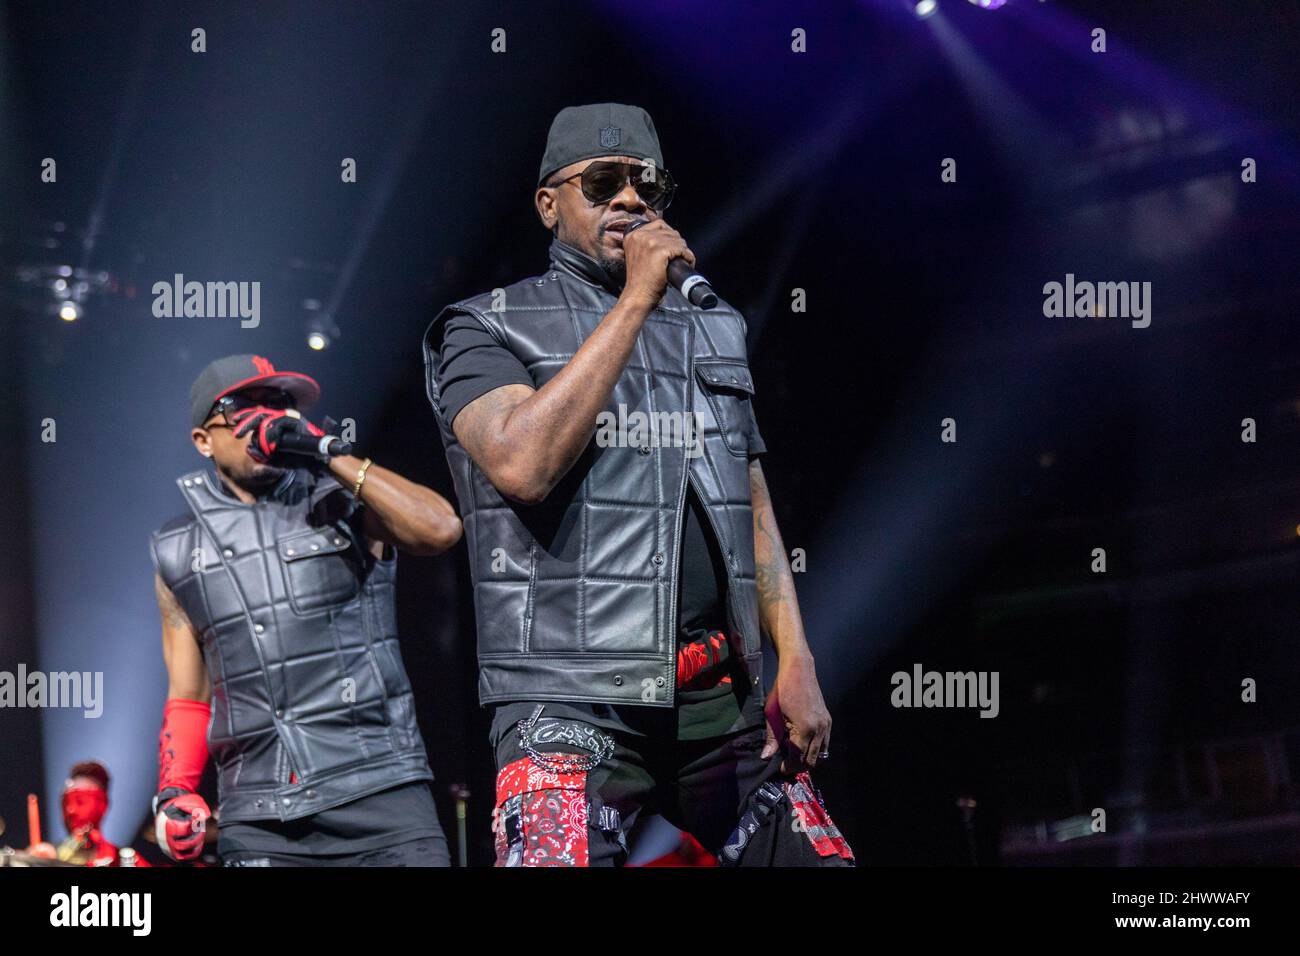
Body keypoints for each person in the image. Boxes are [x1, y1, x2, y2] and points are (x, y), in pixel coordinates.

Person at [424, 104, 853, 866]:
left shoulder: (711, 326)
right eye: (603, 182)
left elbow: (749, 503)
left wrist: (796, 658)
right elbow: (521, 464)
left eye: (646, 185)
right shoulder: (483, 326)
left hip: (719, 694)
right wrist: (635, 302)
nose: (630, 200)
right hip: (566, 696)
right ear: (549, 205)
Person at [150, 354, 462, 866]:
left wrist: (324, 451)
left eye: (279, 403)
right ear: (202, 439)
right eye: (239, 406)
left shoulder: (342, 498)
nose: (264, 417)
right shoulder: (176, 550)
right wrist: (174, 790)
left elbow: (440, 529)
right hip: (261, 819)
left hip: (381, 794)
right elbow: (189, 693)